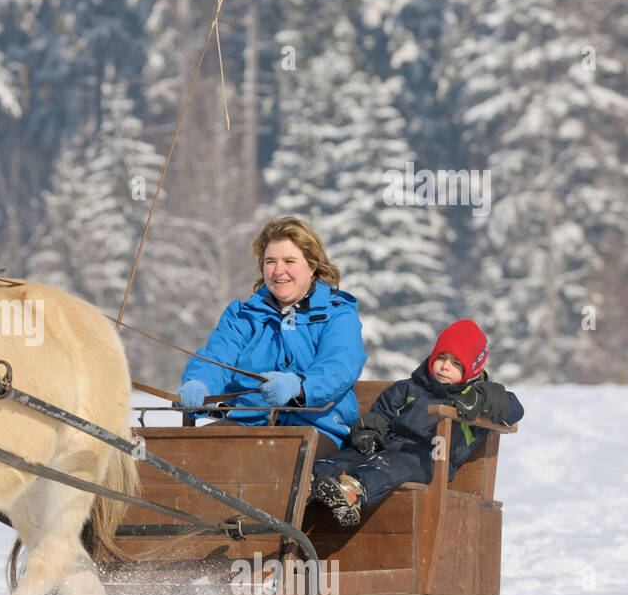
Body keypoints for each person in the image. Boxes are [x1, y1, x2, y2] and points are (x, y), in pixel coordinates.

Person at [309, 318, 524, 528]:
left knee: (390, 466)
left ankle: (354, 492)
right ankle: (311, 480)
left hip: (429, 460)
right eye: (441, 357)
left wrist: (484, 397)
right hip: (389, 447)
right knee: (351, 456)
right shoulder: (410, 388)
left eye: (456, 363)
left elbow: (514, 409)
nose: (445, 367)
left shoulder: (471, 403)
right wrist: (369, 433)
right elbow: (382, 412)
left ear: (472, 372)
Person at [175, 217, 366, 447]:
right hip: (248, 423)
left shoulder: (337, 315)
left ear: (312, 266)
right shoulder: (243, 316)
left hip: (317, 428)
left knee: (280, 465)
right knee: (197, 455)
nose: (279, 271)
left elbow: (339, 365)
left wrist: (299, 387)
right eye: (270, 261)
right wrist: (199, 383)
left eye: (289, 261)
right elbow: (217, 357)